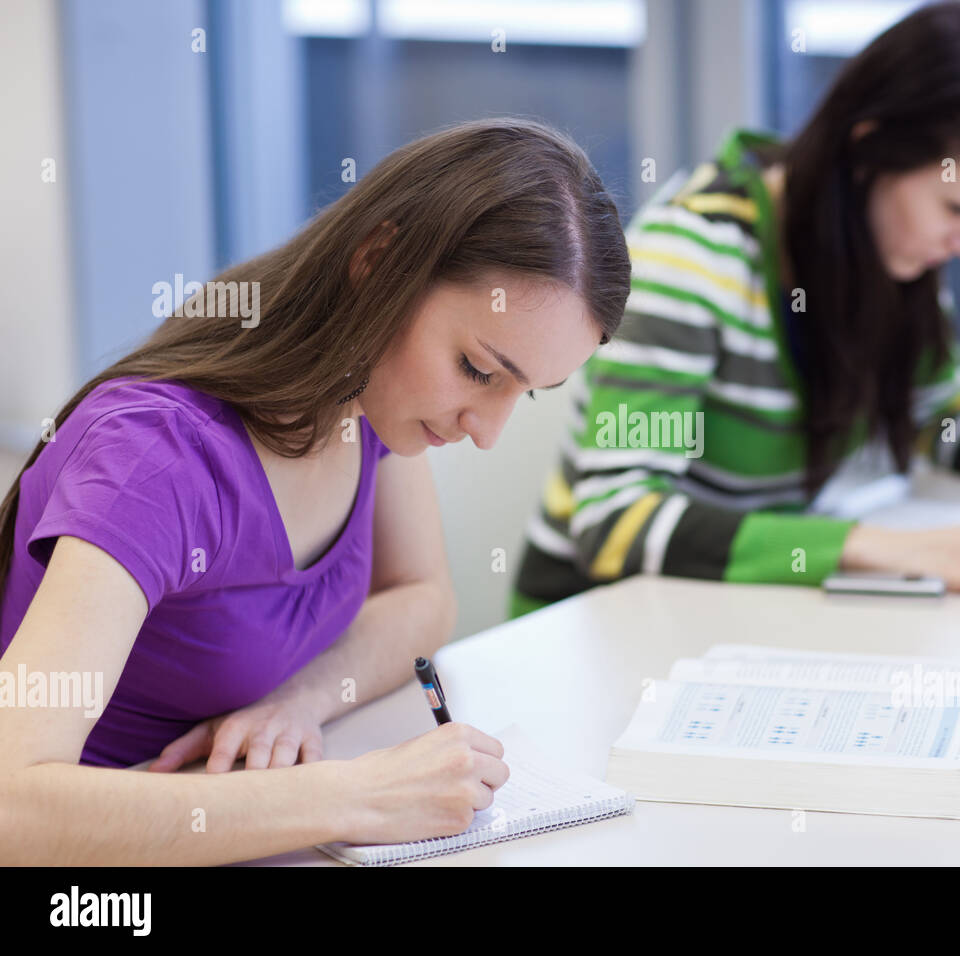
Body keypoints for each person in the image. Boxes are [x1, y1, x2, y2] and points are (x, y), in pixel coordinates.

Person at [0, 118, 630, 864]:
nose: (485, 431)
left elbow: (424, 598)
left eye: (522, 393)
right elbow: (13, 806)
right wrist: (358, 795)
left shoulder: (365, 407)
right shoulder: (154, 457)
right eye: (476, 369)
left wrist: (297, 700)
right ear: (378, 263)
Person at [511, 1, 960, 616]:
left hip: (727, 612)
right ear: (868, 147)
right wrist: (877, 546)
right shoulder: (690, 261)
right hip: (594, 627)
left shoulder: (889, 251)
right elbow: (615, 521)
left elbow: (939, 411)